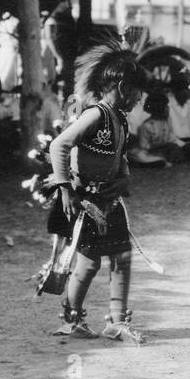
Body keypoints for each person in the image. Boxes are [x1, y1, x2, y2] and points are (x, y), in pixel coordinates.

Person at [44, 42, 147, 345]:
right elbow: (59, 145)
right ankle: (71, 319)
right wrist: (64, 188)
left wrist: (124, 177)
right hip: (87, 201)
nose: (139, 98)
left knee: (122, 258)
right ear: (122, 86)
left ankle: (117, 323)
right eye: (137, 91)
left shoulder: (119, 119)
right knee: (89, 263)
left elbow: (120, 155)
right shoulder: (96, 115)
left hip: (109, 200)